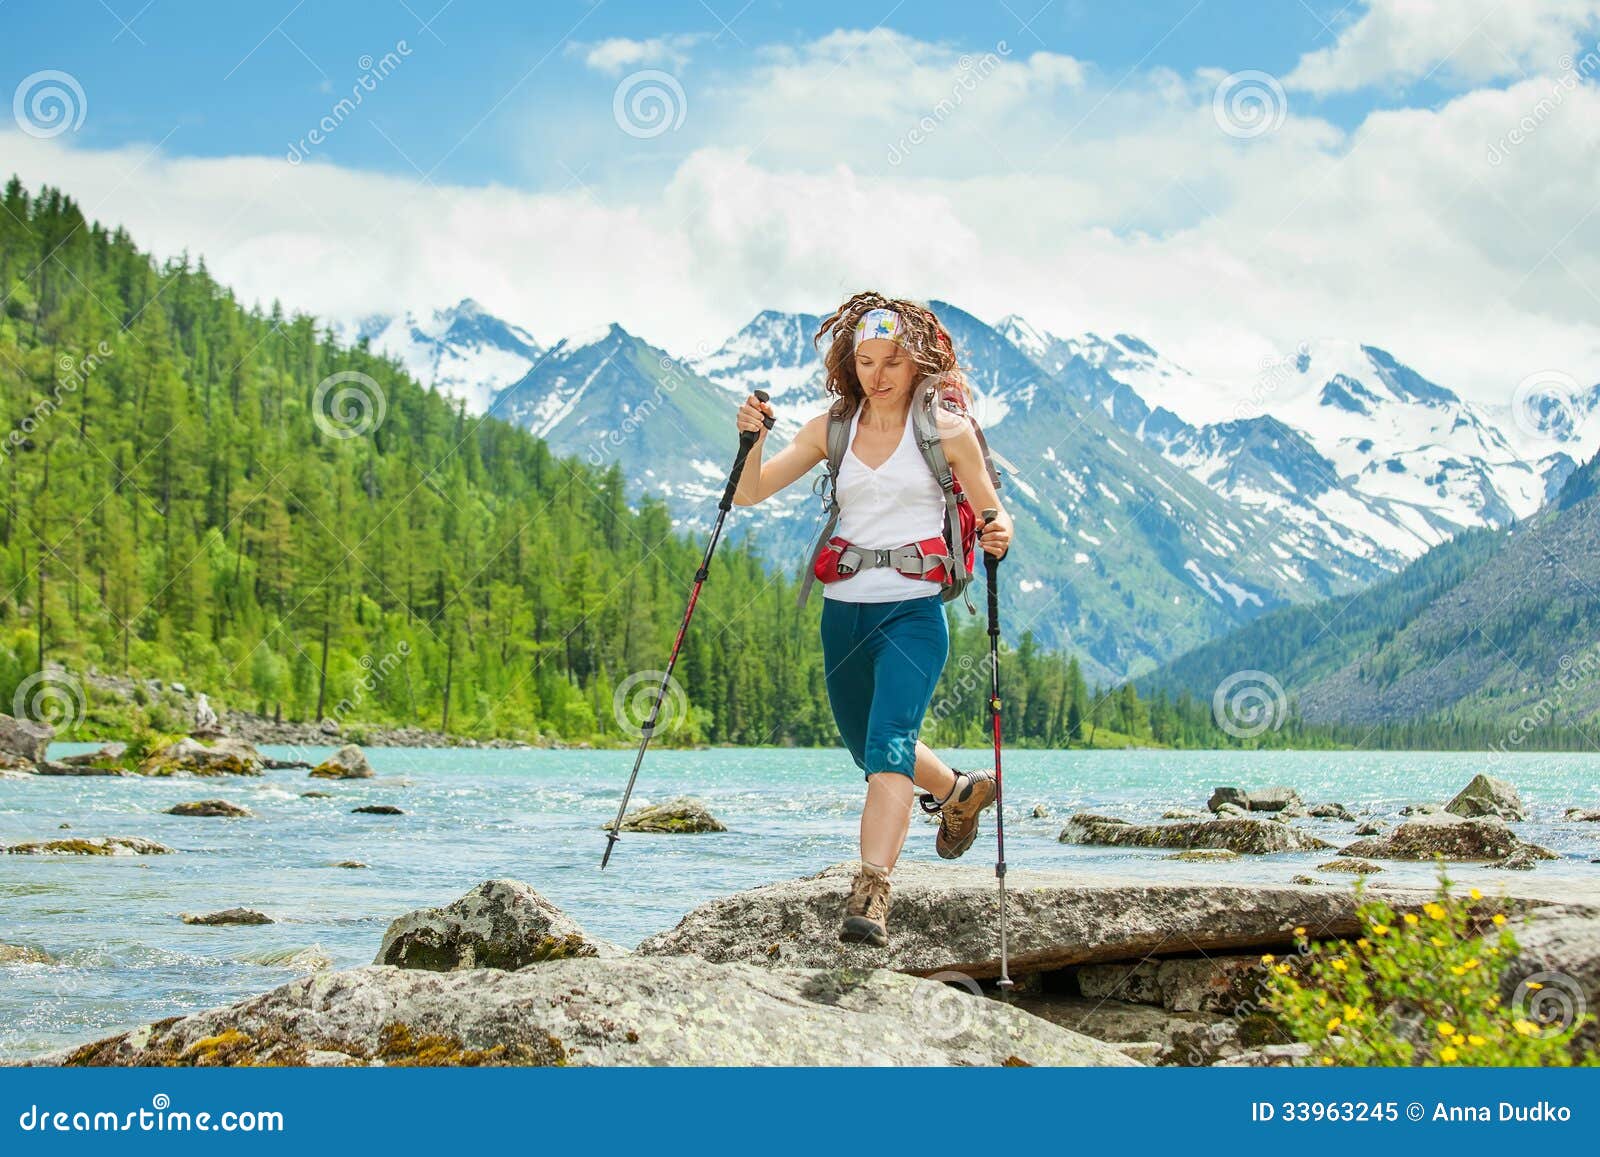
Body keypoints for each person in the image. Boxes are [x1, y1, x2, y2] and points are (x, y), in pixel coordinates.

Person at [733, 291, 1014, 946]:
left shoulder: (947, 431)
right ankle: (956, 791)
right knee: (867, 746)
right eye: (865, 361)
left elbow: (994, 511)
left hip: (914, 614)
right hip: (844, 616)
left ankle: (871, 893)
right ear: (848, 362)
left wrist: (999, 531)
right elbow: (750, 491)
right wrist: (751, 438)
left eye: (892, 361)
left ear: (917, 363)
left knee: (887, 747)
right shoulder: (830, 428)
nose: (878, 375)